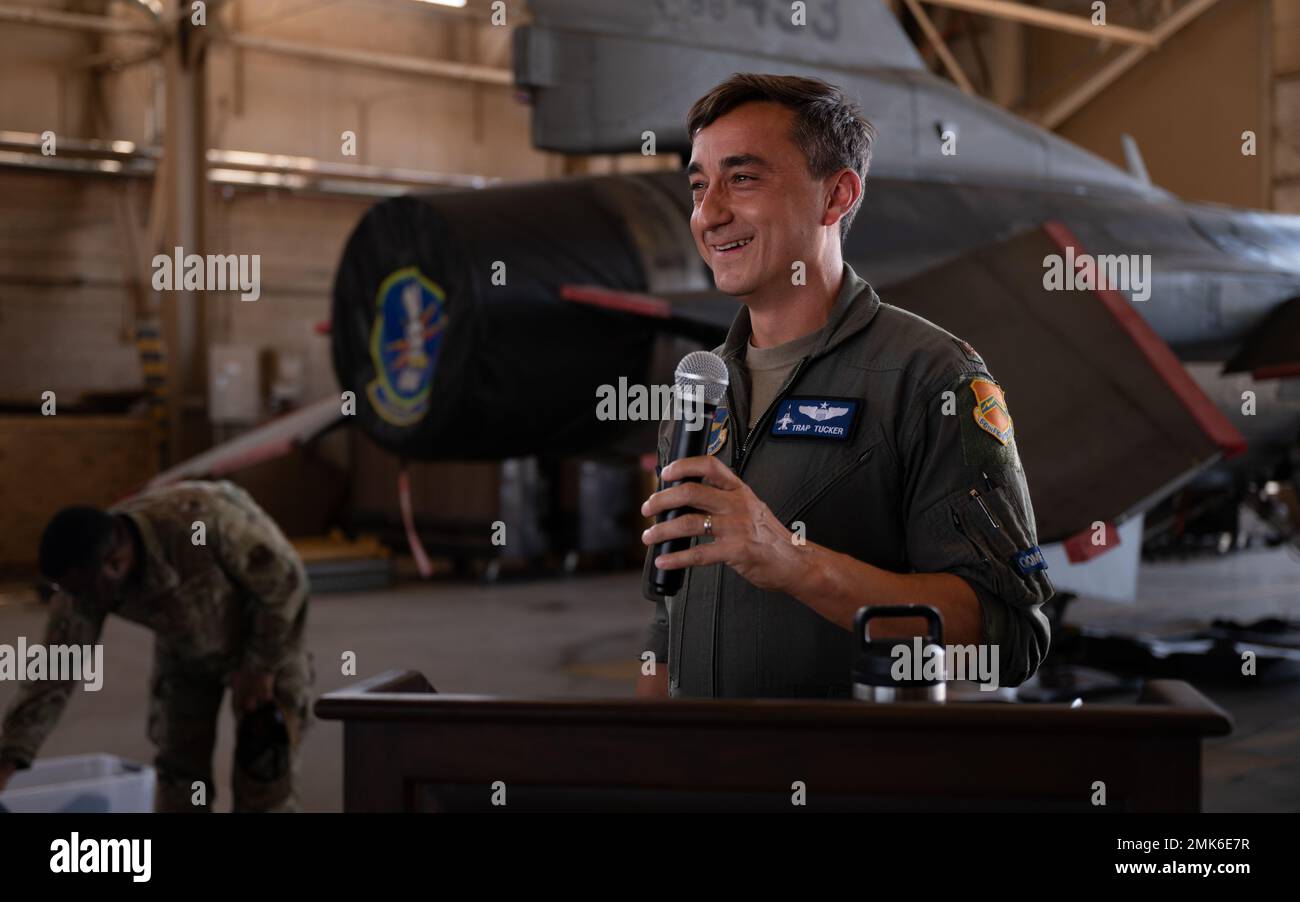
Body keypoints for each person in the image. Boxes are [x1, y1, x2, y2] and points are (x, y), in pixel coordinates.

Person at [637, 73, 1053, 698]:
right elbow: (668, 623)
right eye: (699, 186)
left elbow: (1010, 639)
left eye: (743, 178)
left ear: (836, 197)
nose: (710, 213)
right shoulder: (703, 393)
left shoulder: (930, 377)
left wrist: (795, 564)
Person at [0, 480, 313, 811]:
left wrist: (260, 667)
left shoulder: (202, 520)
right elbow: (55, 672)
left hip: (267, 638)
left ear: (116, 563)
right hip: (186, 653)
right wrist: (10, 757)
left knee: (265, 770)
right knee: (181, 779)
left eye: (82, 592)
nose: (78, 602)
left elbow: (286, 584)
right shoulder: (85, 581)